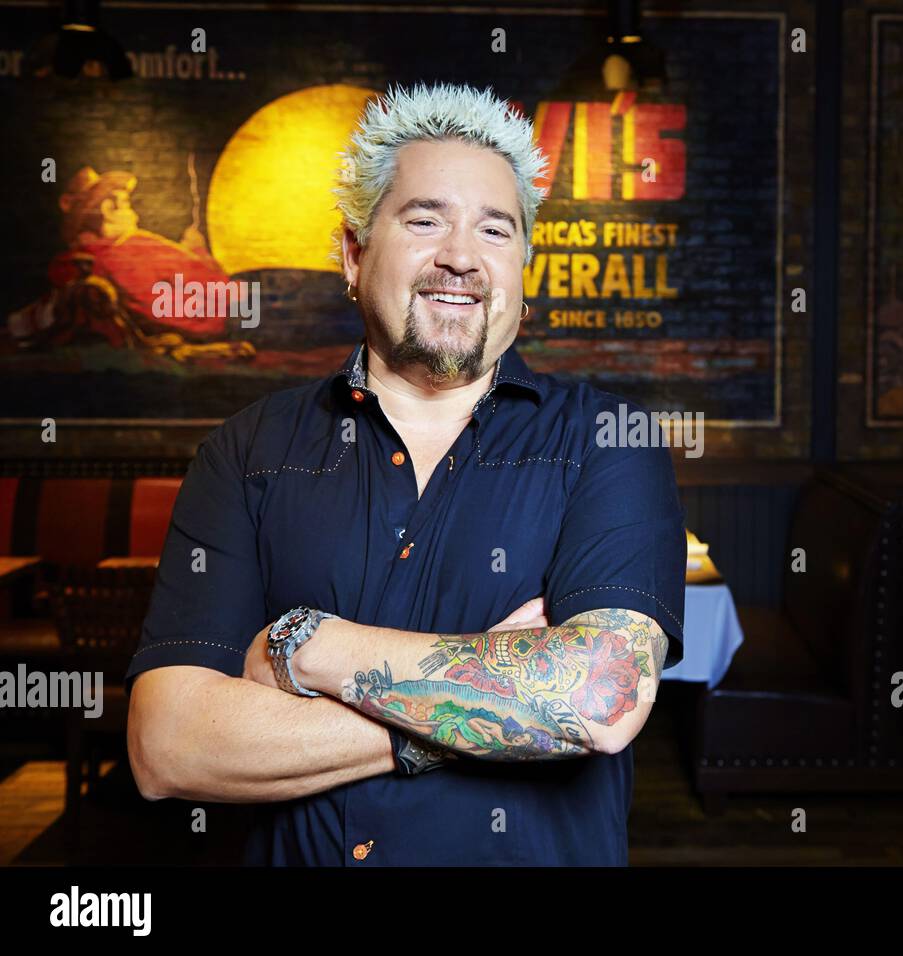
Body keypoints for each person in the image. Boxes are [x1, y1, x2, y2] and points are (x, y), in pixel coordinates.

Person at [125, 81, 686, 866]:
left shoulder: (607, 440)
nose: (460, 256)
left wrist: (310, 643)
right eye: (425, 220)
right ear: (353, 255)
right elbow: (168, 746)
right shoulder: (247, 453)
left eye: (496, 229)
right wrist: (487, 702)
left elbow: (596, 697)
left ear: (524, 269)